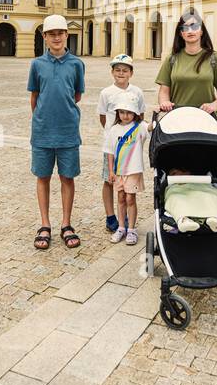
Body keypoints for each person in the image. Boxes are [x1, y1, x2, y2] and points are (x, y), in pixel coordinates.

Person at [27, 14, 85, 250]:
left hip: (68, 131)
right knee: (42, 177)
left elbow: (77, 95)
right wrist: (42, 119)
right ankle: (44, 224)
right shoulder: (37, 64)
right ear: (45, 37)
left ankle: (66, 223)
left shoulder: (77, 64)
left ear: (66, 35)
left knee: (67, 177)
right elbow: (34, 96)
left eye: (60, 33)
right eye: (52, 34)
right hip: (42, 131)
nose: (57, 37)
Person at [97, 53, 146, 232]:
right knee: (109, 179)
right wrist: (112, 133)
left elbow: (141, 116)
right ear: (112, 72)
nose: (121, 73)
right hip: (112, 145)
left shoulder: (137, 92)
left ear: (131, 73)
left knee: (128, 181)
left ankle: (125, 215)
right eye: (117, 70)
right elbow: (103, 117)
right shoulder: (106, 93)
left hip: (130, 146)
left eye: (125, 70)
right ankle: (111, 215)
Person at [155, 9, 217, 113]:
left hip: (205, 119)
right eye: (185, 28)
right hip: (177, 119)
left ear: (201, 31)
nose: (190, 31)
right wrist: (164, 102)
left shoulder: (214, 58)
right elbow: (164, 91)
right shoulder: (171, 59)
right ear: (181, 33)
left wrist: (214, 105)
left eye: (195, 26)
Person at [102, 90, 146, 245]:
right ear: (117, 113)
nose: (125, 115)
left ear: (135, 113)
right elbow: (109, 151)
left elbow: (152, 128)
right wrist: (112, 171)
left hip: (133, 171)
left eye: (129, 112)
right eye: (122, 112)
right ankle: (121, 227)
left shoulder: (139, 127)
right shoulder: (114, 130)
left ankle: (132, 229)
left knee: (130, 199)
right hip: (119, 172)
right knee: (120, 198)